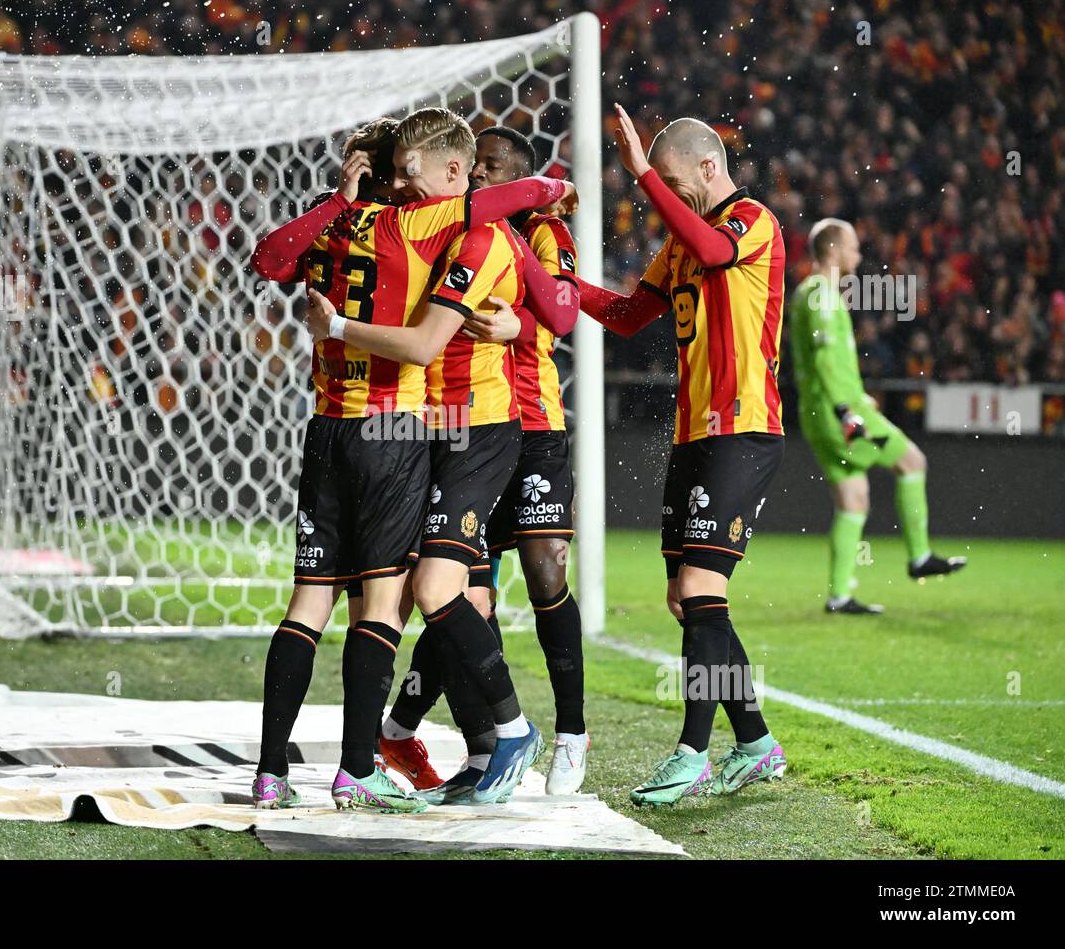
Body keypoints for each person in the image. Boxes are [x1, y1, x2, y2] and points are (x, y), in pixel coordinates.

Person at [249, 114, 573, 812]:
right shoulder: (415, 226)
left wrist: (335, 202)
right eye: (397, 171)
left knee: (310, 604)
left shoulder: (329, 227)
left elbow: (268, 261)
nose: (402, 181)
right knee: (394, 603)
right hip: (398, 432)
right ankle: (364, 765)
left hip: (329, 432)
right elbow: (487, 207)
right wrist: (546, 186)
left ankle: (272, 773)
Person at [579, 106, 787, 806]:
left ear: (709, 167)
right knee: (685, 599)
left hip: (742, 429)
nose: (665, 195)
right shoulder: (681, 244)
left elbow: (715, 250)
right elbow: (627, 317)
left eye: (673, 182)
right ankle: (755, 740)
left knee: (702, 592)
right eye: (658, 183)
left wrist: (640, 173)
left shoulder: (750, 221)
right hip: (692, 434)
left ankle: (692, 752)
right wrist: (546, 280)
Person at [378, 125, 590, 797]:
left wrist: (519, 325)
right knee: (464, 593)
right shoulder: (446, 226)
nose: (480, 180)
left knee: (544, 571)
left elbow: (561, 315)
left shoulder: (542, 234)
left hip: (527, 424)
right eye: (477, 168)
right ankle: (476, 750)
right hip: (454, 422)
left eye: (494, 169)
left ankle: (571, 734)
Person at [787, 218, 966, 614]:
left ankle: (839, 596)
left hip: (818, 412)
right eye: (852, 246)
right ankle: (919, 555)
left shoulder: (807, 293)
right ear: (834, 250)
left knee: (853, 500)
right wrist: (847, 408)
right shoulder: (821, 294)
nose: (858, 254)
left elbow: (825, 362)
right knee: (912, 461)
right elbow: (823, 359)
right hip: (841, 414)